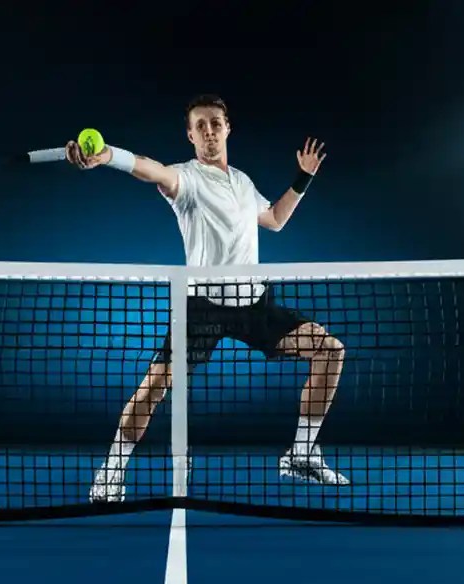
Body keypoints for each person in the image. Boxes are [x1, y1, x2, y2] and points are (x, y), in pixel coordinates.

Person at [65, 94, 348, 503]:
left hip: (254, 306)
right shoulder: (185, 179)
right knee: (154, 387)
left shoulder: (243, 183)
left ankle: (301, 453)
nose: (209, 131)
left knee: (330, 351)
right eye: (201, 126)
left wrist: (302, 178)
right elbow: (148, 168)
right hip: (202, 309)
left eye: (215, 123)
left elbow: (275, 220)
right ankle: (111, 472)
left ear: (227, 127)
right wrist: (106, 155)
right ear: (190, 135)